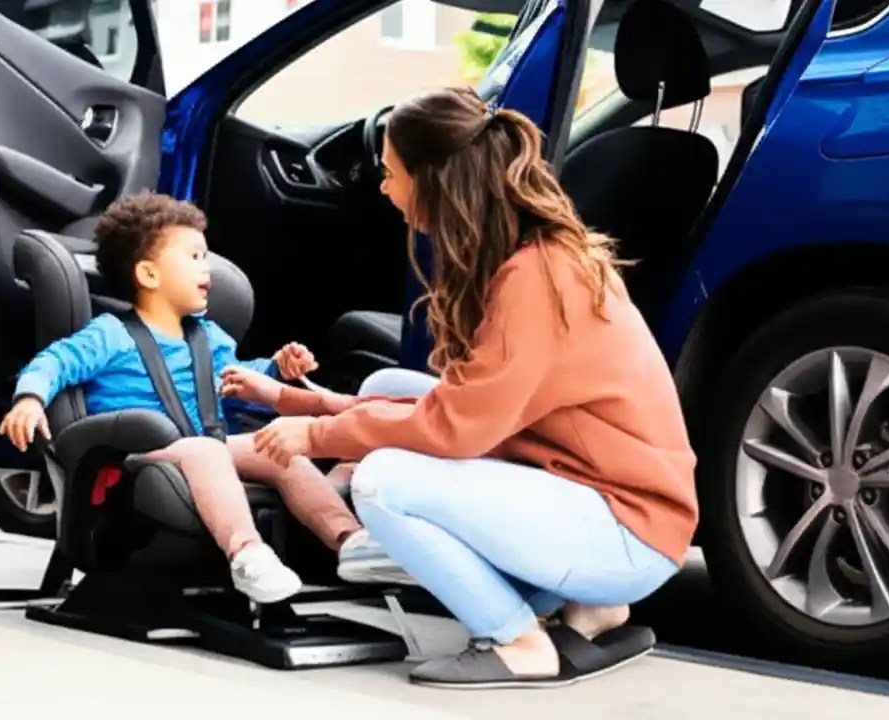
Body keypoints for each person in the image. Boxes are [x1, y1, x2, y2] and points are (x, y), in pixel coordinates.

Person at [250, 87, 699, 689]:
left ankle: (517, 641)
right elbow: (470, 407)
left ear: (435, 180)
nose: (383, 188)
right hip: (610, 503)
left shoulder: (535, 279)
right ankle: (593, 608)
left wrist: (321, 434)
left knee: (383, 482)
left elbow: (459, 428)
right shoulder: (534, 257)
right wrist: (325, 407)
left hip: (626, 531)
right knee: (387, 384)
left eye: (390, 172)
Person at [0, 191, 372, 605]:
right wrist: (30, 398)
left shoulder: (208, 337)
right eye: (193, 256)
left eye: (205, 256)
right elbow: (56, 361)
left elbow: (238, 379)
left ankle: (351, 542)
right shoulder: (111, 334)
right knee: (205, 450)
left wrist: (277, 370)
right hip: (139, 456)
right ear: (149, 274)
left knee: (279, 448)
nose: (206, 267)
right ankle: (247, 554)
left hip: (204, 446)